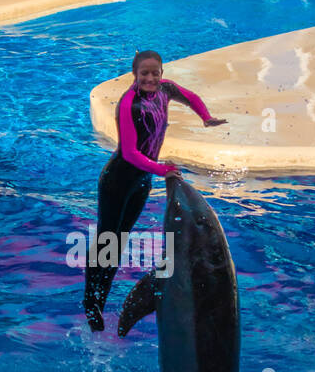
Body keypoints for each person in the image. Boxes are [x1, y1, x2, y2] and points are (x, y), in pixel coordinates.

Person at [82, 50, 226, 332]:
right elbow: (132, 153)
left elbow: (191, 97)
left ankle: (102, 298)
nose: (150, 78)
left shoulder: (166, 90)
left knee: (119, 241)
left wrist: (205, 117)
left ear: (161, 73)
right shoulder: (129, 104)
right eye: (144, 73)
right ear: (135, 75)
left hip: (141, 181)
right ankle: (90, 302)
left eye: (155, 73)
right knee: (106, 238)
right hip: (118, 180)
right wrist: (162, 169)